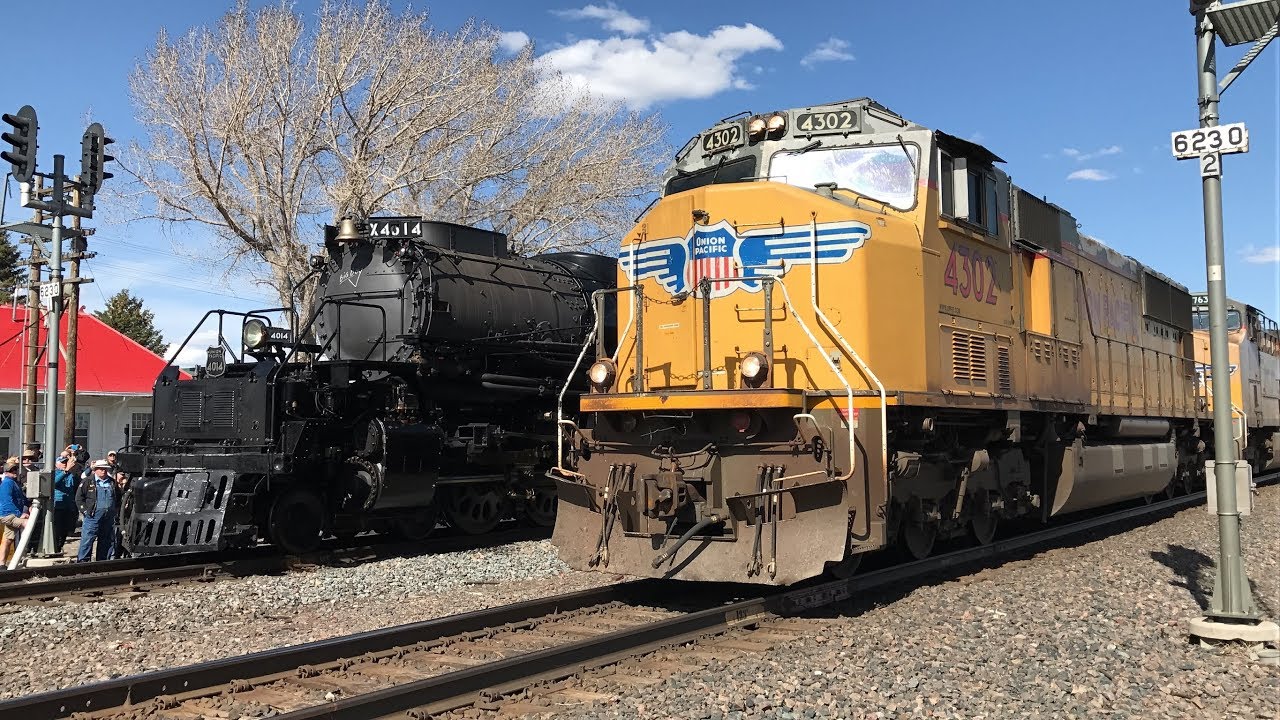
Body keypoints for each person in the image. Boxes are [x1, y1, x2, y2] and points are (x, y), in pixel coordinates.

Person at [75, 460, 116, 562]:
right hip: (92, 516)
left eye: (105, 469)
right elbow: (79, 498)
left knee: (106, 539)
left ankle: (102, 561)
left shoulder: (111, 482)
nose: (104, 471)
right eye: (101, 469)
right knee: (87, 539)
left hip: (108, 517)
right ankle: (83, 561)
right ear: (95, 470)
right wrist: (85, 511)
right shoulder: (88, 481)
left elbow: (117, 497)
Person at [0, 458, 31, 565]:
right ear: (6, 472)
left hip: (11, 515)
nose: (14, 472)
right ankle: (23, 556)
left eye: (15, 469)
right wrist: (20, 514)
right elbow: (6, 501)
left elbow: (22, 498)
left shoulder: (15, 483)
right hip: (8, 515)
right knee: (27, 524)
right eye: (11, 470)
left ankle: (2, 564)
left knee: (7, 540)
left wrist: (28, 505)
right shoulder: (7, 483)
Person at [52, 454, 81, 555]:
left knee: (66, 530)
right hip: (58, 506)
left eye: (66, 462)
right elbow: (54, 483)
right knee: (57, 530)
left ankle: (59, 547)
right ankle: (55, 548)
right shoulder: (55, 473)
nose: (65, 464)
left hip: (69, 506)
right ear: (57, 464)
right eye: (63, 463)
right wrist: (65, 471)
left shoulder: (71, 475)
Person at [111, 472, 131, 559]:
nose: (123, 485)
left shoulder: (129, 493)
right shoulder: (116, 491)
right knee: (116, 538)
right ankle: (115, 555)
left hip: (127, 519)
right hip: (118, 519)